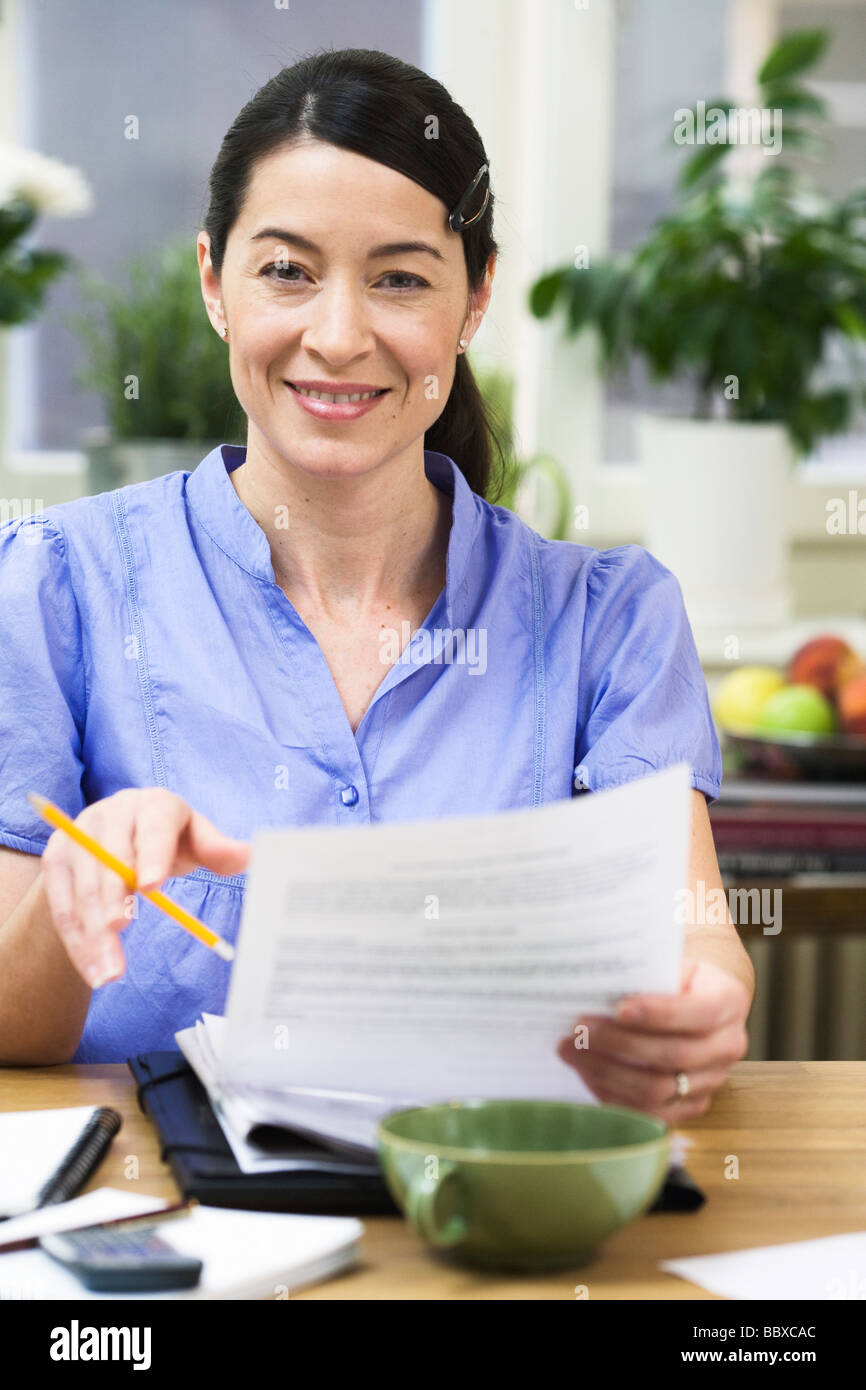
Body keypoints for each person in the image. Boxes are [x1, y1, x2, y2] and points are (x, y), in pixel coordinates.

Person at [0, 48, 752, 1119]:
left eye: (399, 278)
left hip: (493, 1206)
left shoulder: (612, 621)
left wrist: (699, 1009)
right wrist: (72, 900)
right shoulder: (54, 585)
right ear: (214, 282)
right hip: (166, 1203)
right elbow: (11, 1026)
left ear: (474, 298)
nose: (339, 336)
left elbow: (693, 940)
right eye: (287, 270)